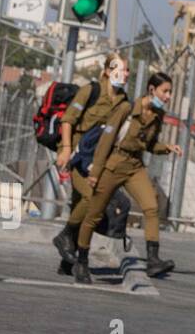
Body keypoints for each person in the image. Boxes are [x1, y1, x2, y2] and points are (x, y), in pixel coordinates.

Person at [72, 71, 182, 284]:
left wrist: (167, 148)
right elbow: (106, 140)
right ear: (152, 90)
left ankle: (153, 259)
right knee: (93, 214)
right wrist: (95, 173)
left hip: (134, 166)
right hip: (113, 164)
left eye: (170, 92)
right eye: (165, 91)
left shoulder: (158, 116)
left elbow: (148, 144)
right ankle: (81, 261)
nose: (168, 96)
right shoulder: (127, 109)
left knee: (151, 206)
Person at [51, 53, 129, 273]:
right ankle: (65, 235)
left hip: (96, 157)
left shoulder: (123, 101)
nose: (123, 73)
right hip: (77, 152)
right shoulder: (91, 91)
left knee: (79, 204)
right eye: (117, 68)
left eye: (126, 69)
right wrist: (65, 150)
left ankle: (67, 262)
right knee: (90, 197)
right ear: (106, 70)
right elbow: (68, 121)